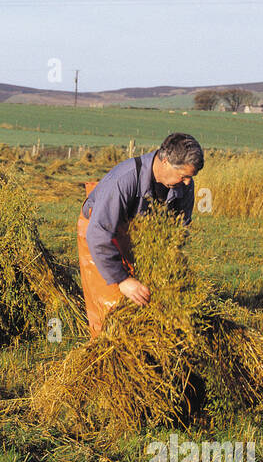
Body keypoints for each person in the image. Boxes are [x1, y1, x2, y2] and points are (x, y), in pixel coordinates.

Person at [77, 132, 204, 337]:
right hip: (100, 232)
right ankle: (104, 352)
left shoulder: (183, 185)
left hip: (135, 235)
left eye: (192, 177)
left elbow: (179, 231)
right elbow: (98, 233)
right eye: (184, 176)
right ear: (164, 162)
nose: (189, 183)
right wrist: (122, 280)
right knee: (110, 305)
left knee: (146, 297)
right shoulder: (124, 179)